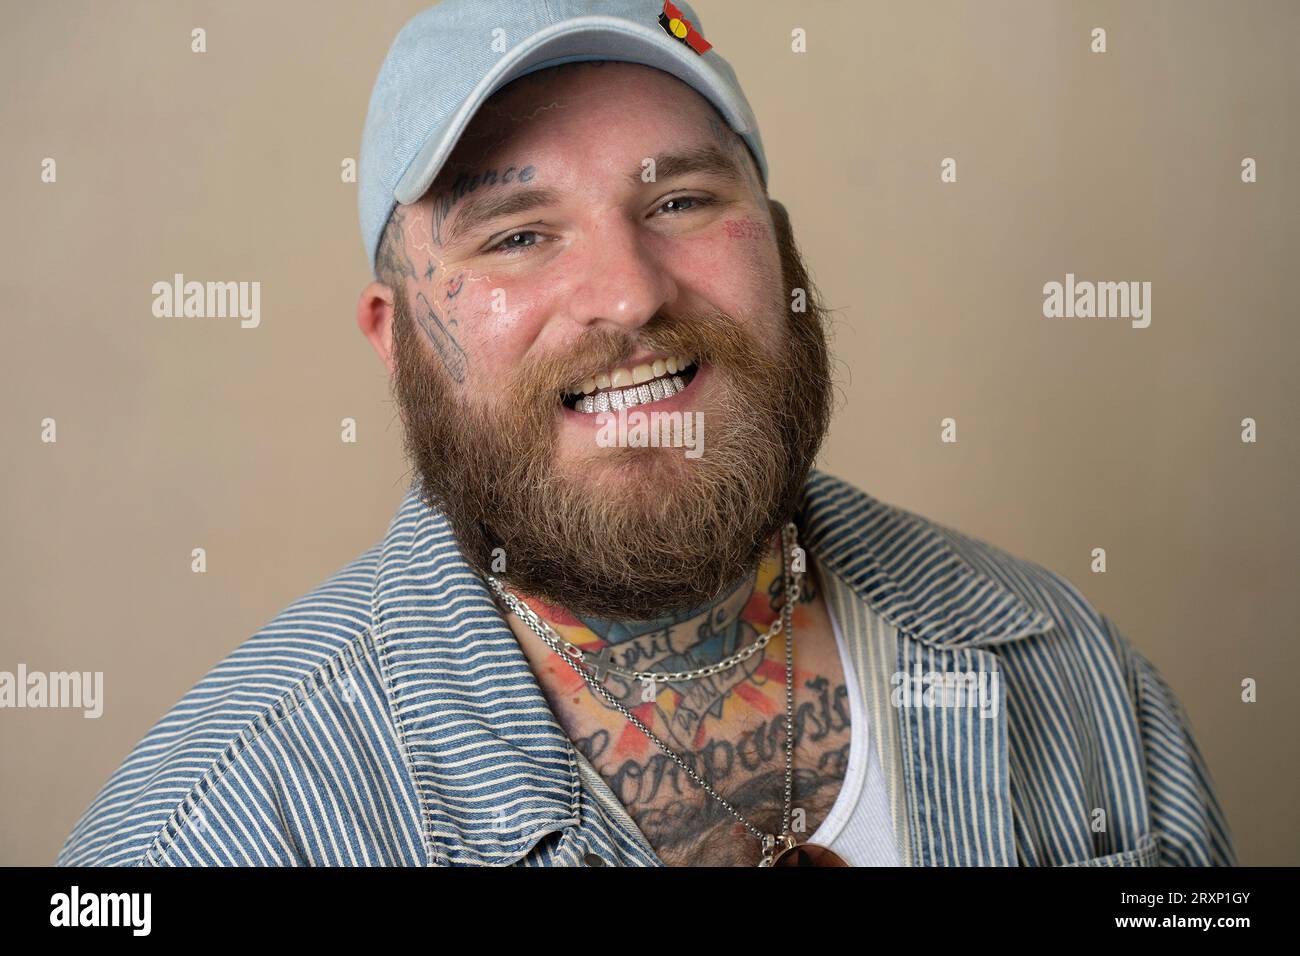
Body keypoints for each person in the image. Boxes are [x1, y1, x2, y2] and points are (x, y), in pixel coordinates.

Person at [57, 0, 1235, 867]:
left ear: (779, 252)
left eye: (679, 202)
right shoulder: (208, 829)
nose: (626, 294)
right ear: (396, 335)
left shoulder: (1073, 673)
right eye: (516, 233)